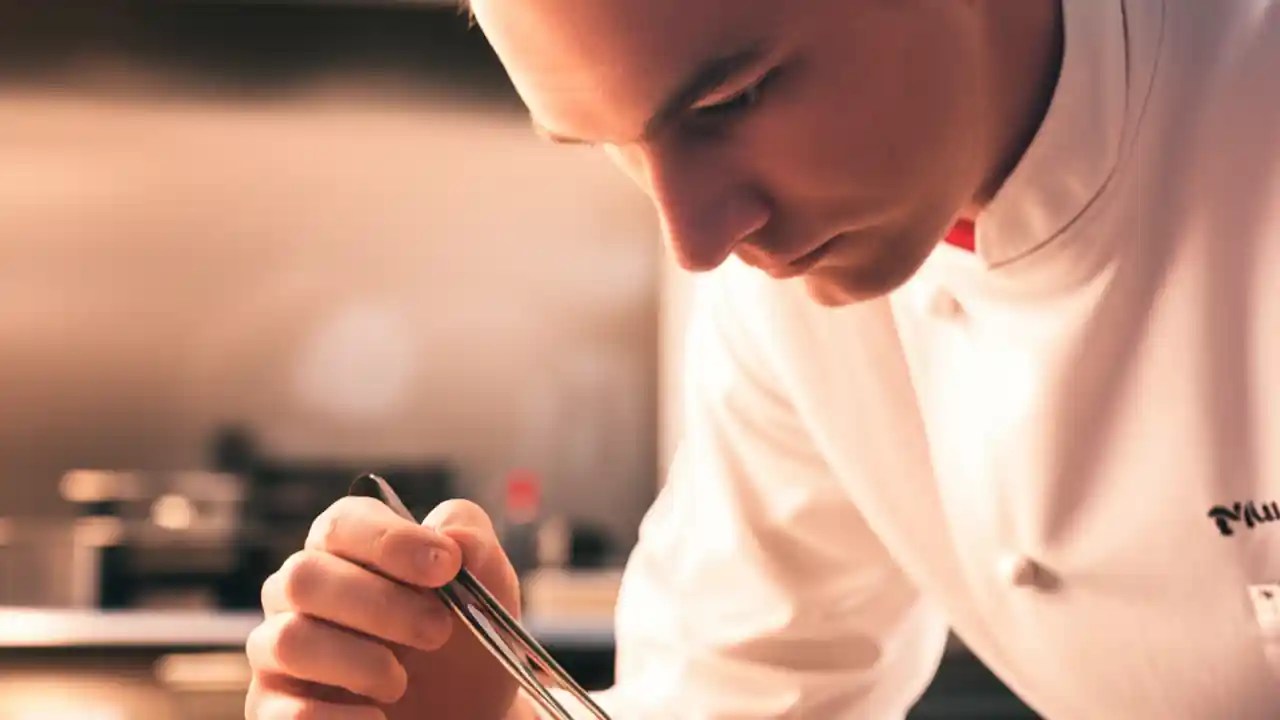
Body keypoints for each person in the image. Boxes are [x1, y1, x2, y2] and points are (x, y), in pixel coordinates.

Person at [244, 0, 1280, 717]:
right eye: (606, 141)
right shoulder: (788, 300)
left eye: (729, 100)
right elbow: (741, 696)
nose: (695, 239)